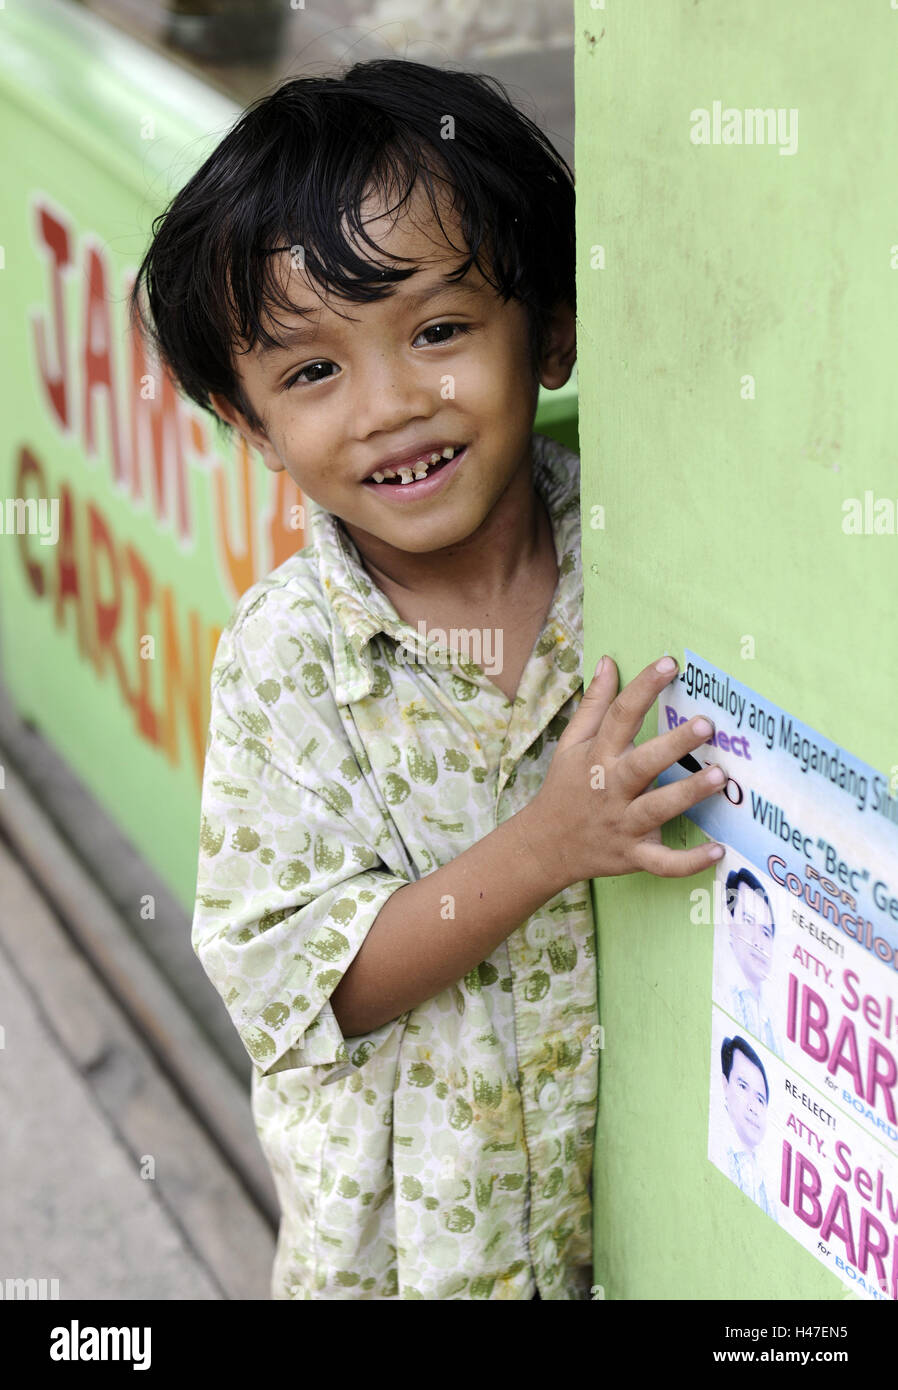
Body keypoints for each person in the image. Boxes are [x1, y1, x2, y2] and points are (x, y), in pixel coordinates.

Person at [130, 58, 728, 1300]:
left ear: (551, 328)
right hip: (409, 1270)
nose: (392, 405)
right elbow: (311, 983)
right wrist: (550, 843)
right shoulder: (287, 661)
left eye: (440, 330)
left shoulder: (650, 566)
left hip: (618, 1244)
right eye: (311, 372)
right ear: (252, 426)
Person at [721, 866, 783, 1057]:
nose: (758, 941)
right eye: (748, 921)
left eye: (766, 931)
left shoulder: (772, 1022)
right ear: (730, 923)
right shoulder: (721, 990)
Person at [720, 1035, 778, 1221]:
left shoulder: (768, 1186)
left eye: (760, 1099)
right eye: (743, 1086)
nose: (753, 1107)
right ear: (724, 1084)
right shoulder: (719, 1151)